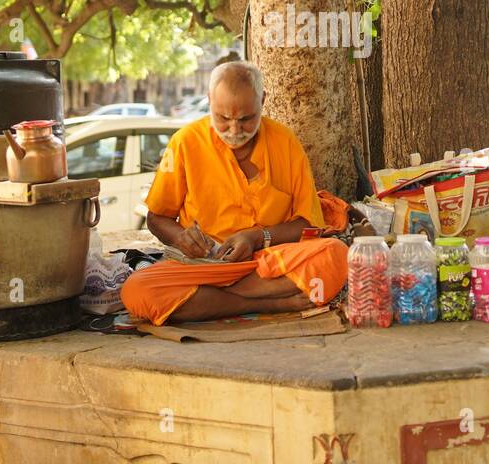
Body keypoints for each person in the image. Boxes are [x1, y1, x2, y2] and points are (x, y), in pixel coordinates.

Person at [120, 60, 348, 326]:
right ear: (208, 101)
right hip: (205, 267)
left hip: (269, 263)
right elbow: (157, 218)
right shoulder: (186, 142)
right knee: (136, 292)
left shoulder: (285, 142)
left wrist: (256, 237)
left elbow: (309, 224)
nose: (234, 130)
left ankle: (210, 301)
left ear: (263, 100)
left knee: (336, 254)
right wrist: (182, 237)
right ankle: (271, 303)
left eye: (246, 119)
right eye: (223, 118)